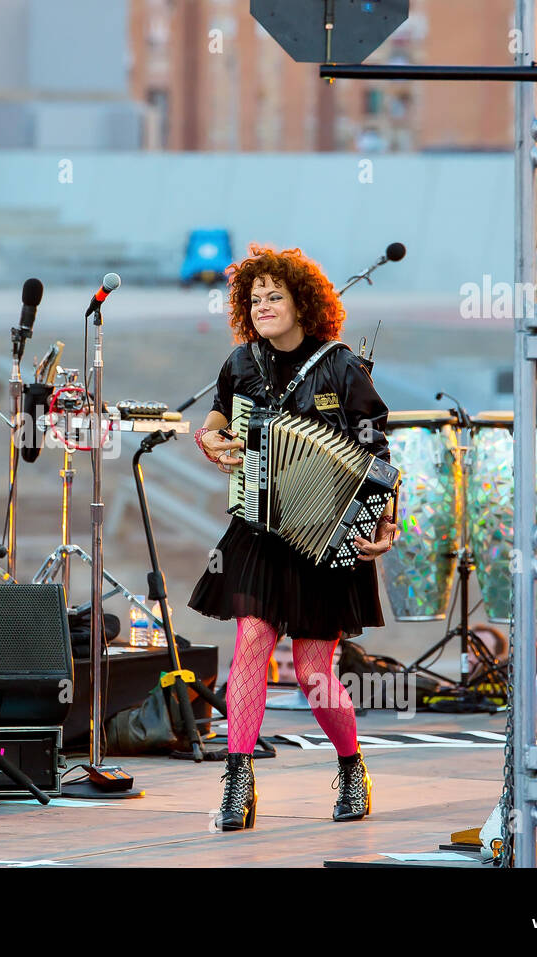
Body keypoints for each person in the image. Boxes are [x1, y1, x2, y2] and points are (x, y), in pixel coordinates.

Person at [190, 244, 397, 830]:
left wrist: (384, 524)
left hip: (329, 534)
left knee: (312, 673)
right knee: (251, 641)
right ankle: (237, 781)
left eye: (274, 296)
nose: (262, 307)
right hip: (258, 525)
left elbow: (377, 458)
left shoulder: (342, 367)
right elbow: (215, 423)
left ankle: (352, 765)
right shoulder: (241, 364)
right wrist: (212, 444)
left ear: (303, 302)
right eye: (254, 300)